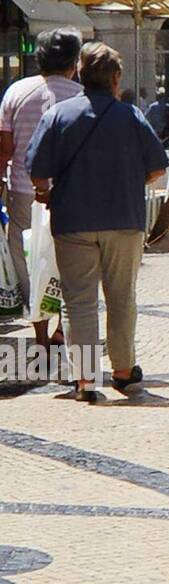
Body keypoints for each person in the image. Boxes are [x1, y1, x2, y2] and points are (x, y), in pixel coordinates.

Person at [27, 43, 168, 402]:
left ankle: (86, 378)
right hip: (123, 219)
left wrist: (45, 192)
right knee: (122, 296)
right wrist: (129, 181)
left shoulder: (59, 115)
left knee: (79, 301)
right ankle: (123, 370)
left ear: (79, 73)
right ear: (116, 78)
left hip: (73, 220)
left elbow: (37, 170)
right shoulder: (131, 116)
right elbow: (156, 167)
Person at [0, 27, 83, 347]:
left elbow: (5, 149)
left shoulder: (16, 92)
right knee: (69, 258)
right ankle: (63, 325)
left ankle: (39, 329)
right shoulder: (80, 95)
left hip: (25, 190)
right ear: (75, 62)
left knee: (30, 258)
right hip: (72, 193)